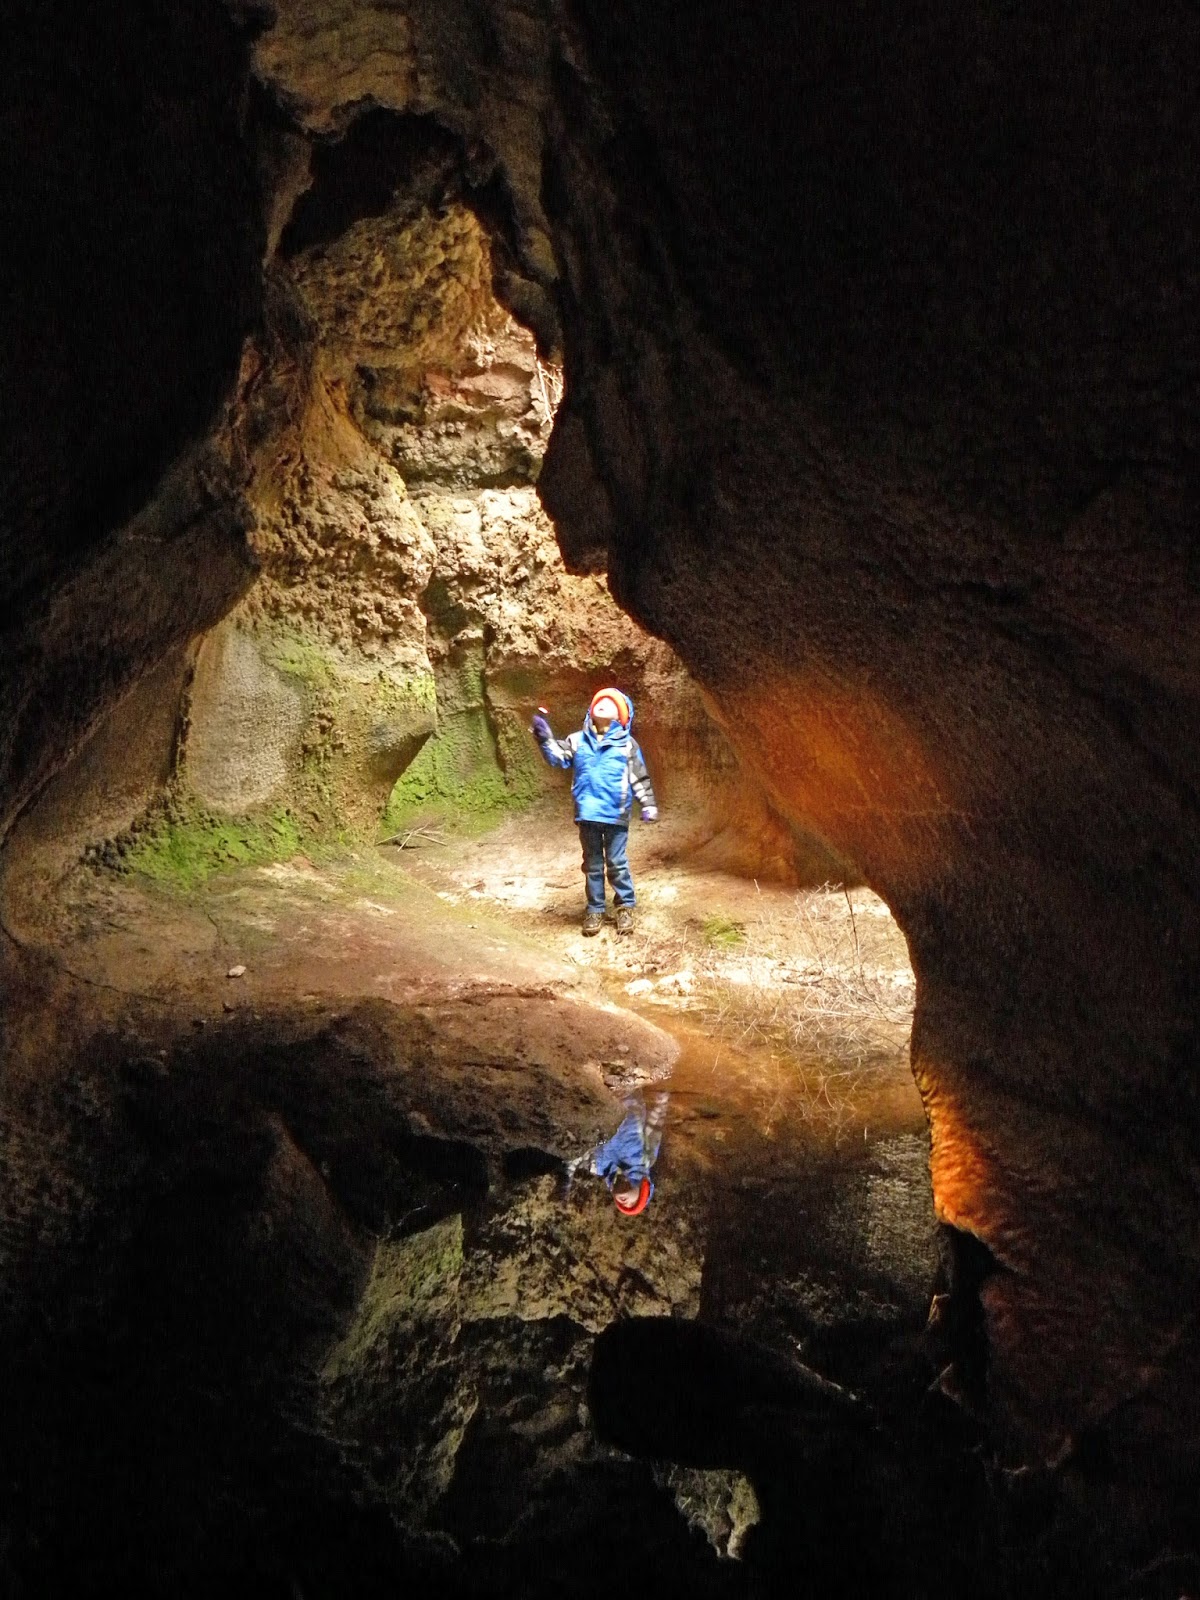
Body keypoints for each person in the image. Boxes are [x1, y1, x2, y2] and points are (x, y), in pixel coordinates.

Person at [531, 688, 658, 936]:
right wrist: (544, 739)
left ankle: (625, 905)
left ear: (621, 716)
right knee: (592, 864)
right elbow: (559, 757)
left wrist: (648, 804)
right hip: (587, 813)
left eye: (611, 703)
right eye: (599, 701)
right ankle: (595, 908)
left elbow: (639, 777)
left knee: (617, 862)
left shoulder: (626, 745)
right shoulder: (577, 740)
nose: (603, 703)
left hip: (615, 814)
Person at [569, 1091, 670, 1216]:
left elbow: (576, 1148)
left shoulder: (597, 1166)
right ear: (643, 1189)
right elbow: (653, 1129)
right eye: (634, 1204)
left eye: (623, 1206)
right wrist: (660, 1106)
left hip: (595, 1099)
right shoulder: (644, 1159)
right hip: (627, 1095)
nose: (626, 1204)